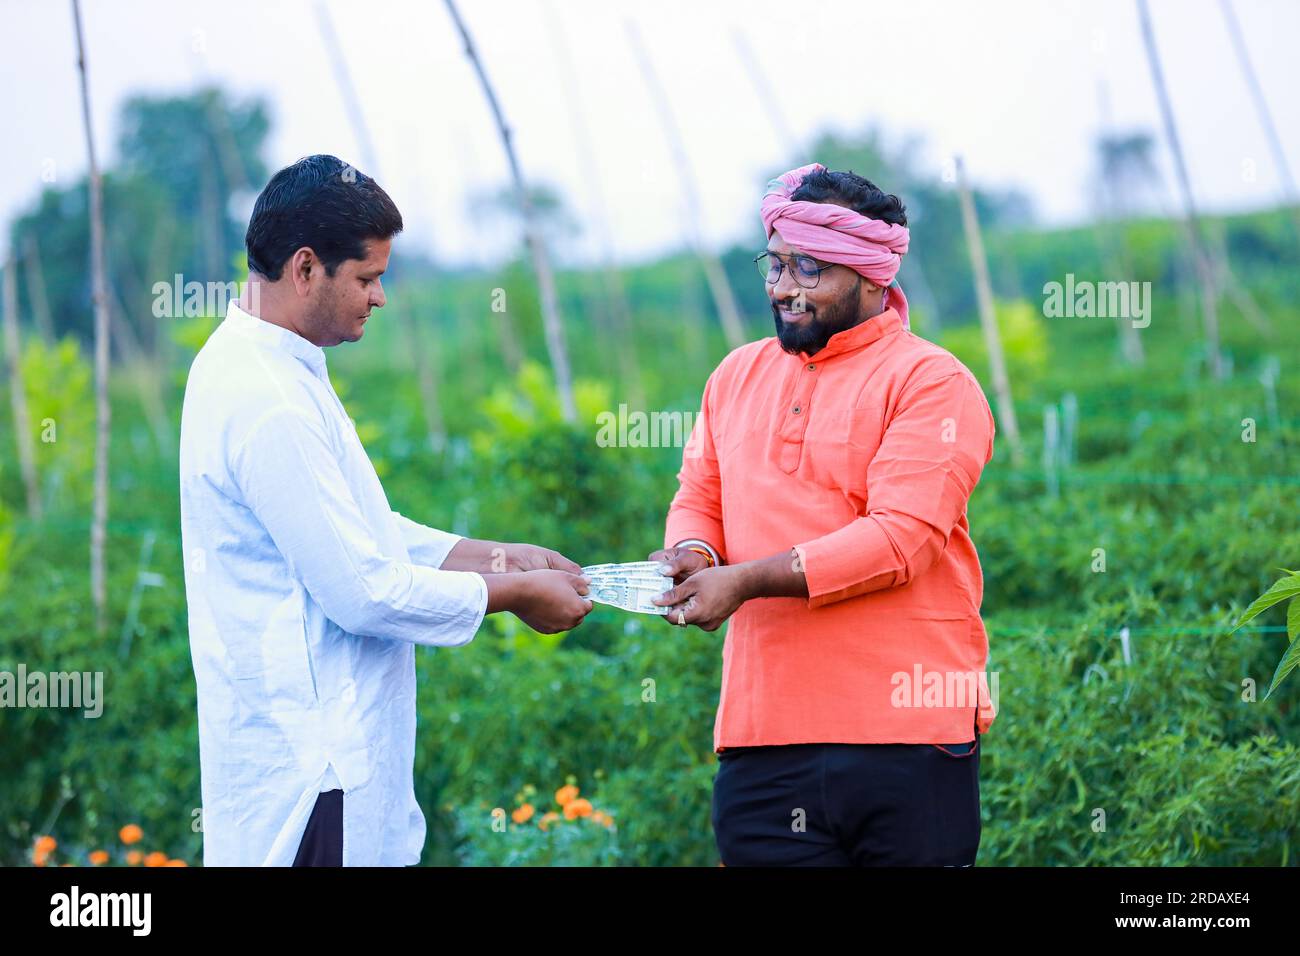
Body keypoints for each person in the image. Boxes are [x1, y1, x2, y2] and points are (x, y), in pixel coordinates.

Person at [179, 154, 592, 866]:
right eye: (367, 279)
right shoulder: (266, 397)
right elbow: (361, 592)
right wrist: (515, 592)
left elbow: (360, 535)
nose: (380, 298)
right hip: (313, 777)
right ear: (306, 269)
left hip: (328, 766)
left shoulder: (278, 366)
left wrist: (501, 556)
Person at [650, 163, 997, 866]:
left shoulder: (932, 382)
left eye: (810, 270)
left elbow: (899, 541)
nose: (783, 287)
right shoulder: (736, 375)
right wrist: (697, 553)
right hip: (762, 738)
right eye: (775, 265)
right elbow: (699, 497)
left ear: (872, 277)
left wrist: (743, 582)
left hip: (908, 734)